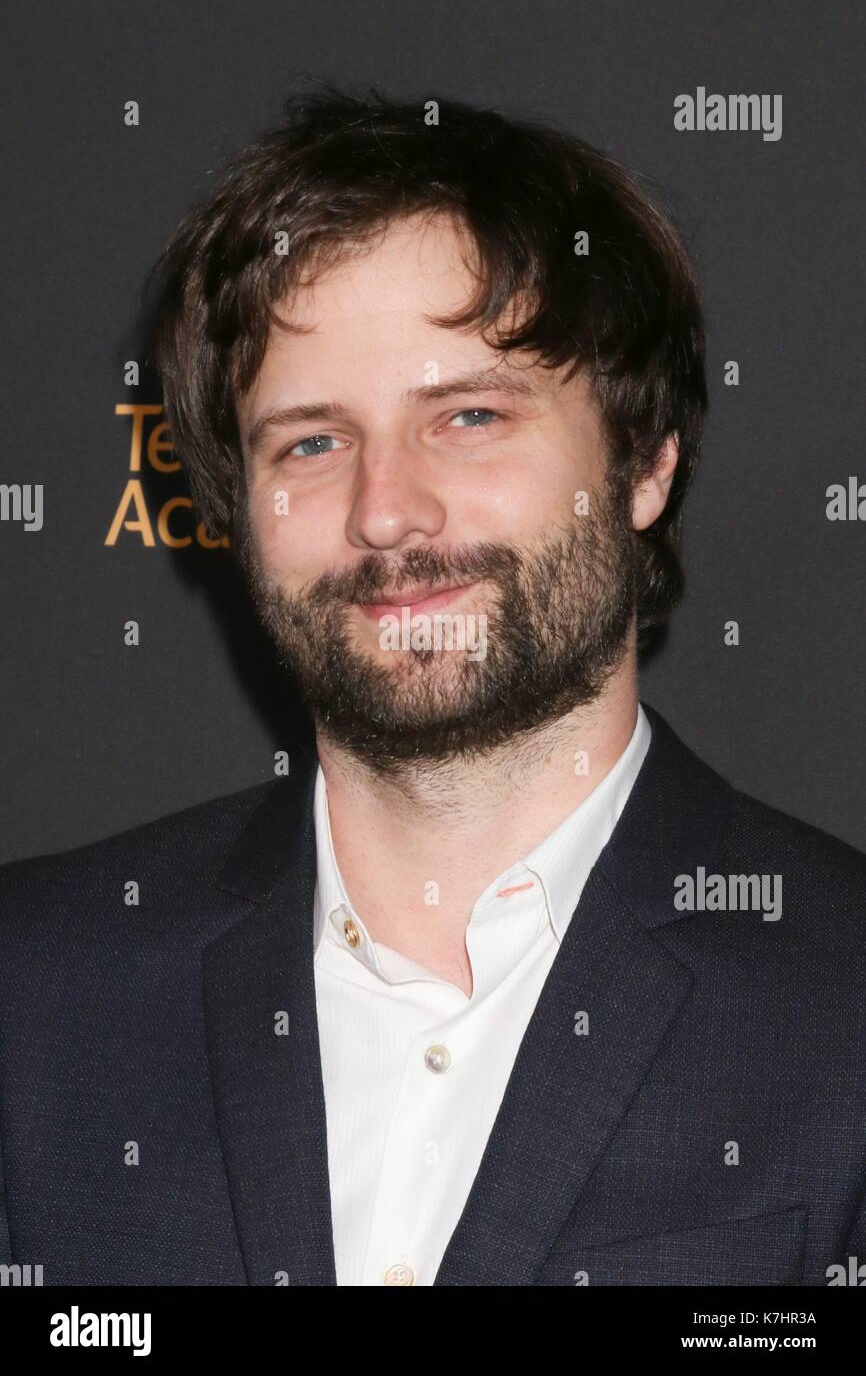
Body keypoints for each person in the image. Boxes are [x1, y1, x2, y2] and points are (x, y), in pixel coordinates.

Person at [1, 87, 864, 1288]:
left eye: (465, 415)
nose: (384, 508)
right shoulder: (33, 1001)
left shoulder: (841, 1005)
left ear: (644, 464)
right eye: (311, 440)